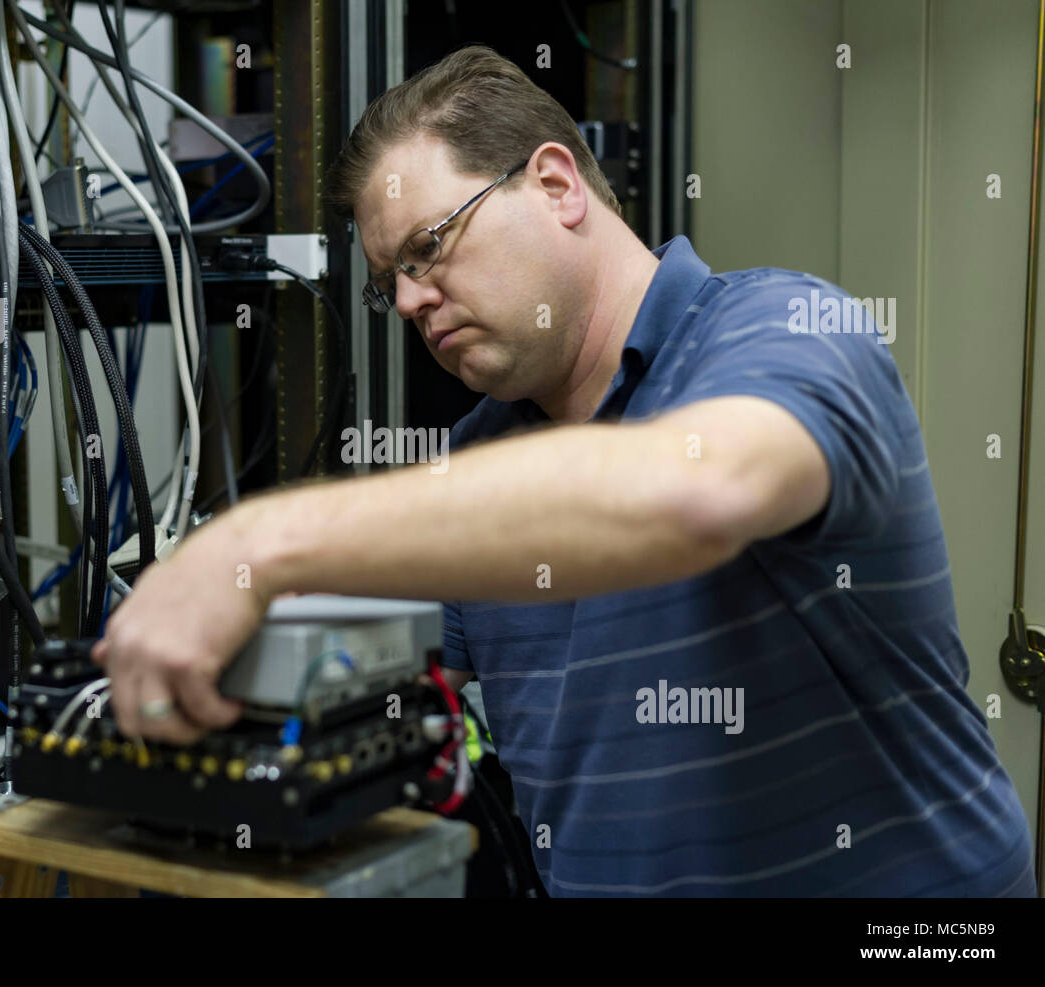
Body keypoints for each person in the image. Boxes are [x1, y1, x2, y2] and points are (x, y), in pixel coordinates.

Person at [91, 45, 1036, 897]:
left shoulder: (784, 329)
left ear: (555, 184)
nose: (413, 300)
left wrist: (257, 541)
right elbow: (395, 707)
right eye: (390, 286)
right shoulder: (480, 455)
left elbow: (696, 494)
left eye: (428, 245)